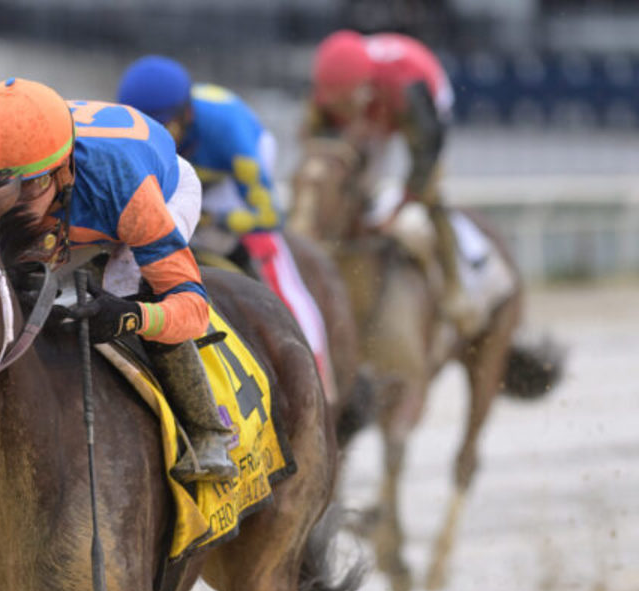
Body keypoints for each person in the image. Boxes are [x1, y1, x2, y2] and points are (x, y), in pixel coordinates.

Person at [0, 77, 236, 482]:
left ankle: (206, 429)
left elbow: (192, 309)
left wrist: (132, 316)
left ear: (64, 169)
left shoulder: (124, 186)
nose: (15, 207)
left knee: (124, 282)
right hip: (78, 204)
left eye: (31, 184)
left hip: (156, 188)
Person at [117, 55, 336, 401]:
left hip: (231, 175)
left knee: (266, 249)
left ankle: (316, 366)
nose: (155, 135)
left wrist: (214, 219)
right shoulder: (133, 129)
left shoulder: (228, 133)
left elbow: (269, 215)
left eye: (163, 125)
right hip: (187, 171)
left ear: (186, 114)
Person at [304, 29, 478, 335]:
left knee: (428, 195)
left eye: (344, 105)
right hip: (376, 97)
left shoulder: (407, 87)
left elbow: (425, 157)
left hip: (423, 104)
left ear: (364, 90)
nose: (339, 113)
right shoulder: (337, 83)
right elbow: (317, 142)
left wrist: (401, 206)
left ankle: (454, 286)